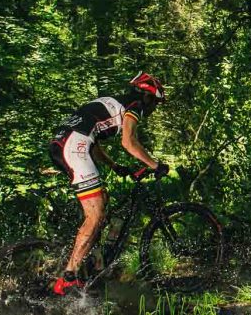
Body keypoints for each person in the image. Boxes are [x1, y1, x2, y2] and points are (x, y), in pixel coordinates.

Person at [47, 72, 169, 295]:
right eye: (155, 104)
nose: (153, 110)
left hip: (63, 143)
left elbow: (91, 139)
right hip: (74, 146)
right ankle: (69, 276)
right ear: (148, 97)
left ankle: (94, 260)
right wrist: (155, 165)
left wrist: (114, 166)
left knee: (102, 200)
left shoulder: (113, 102)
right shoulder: (135, 105)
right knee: (95, 214)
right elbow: (129, 142)